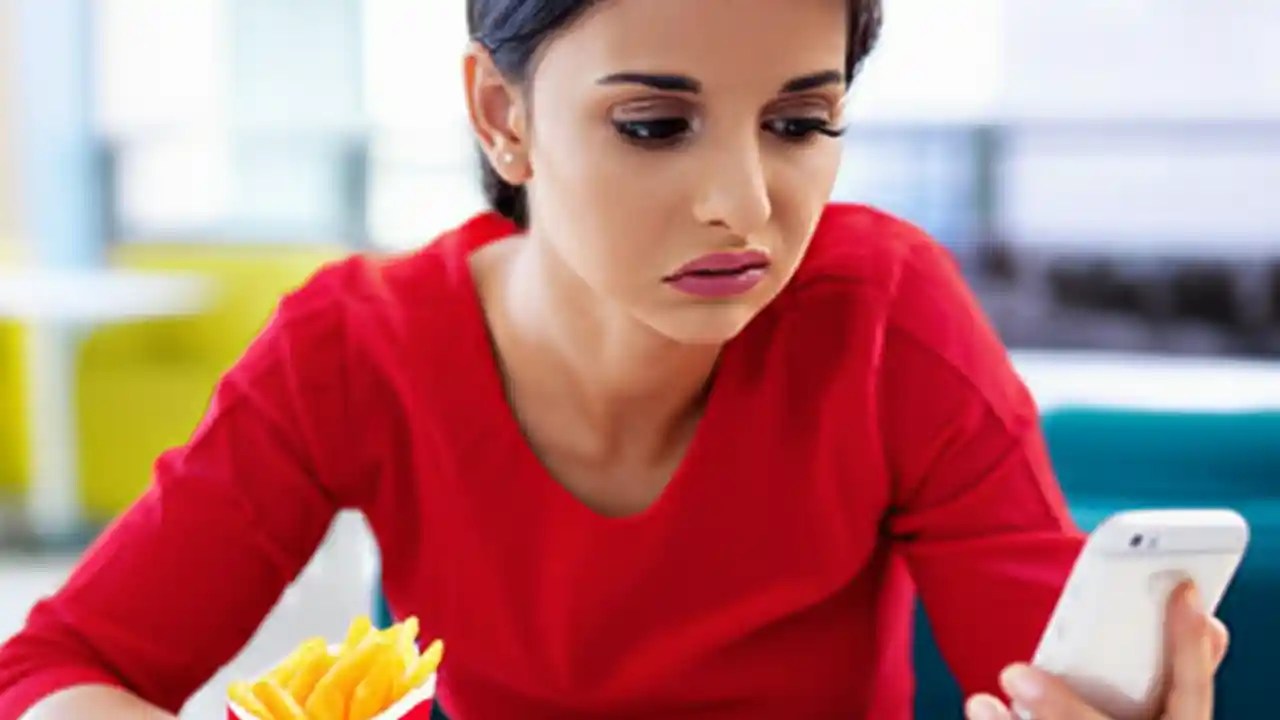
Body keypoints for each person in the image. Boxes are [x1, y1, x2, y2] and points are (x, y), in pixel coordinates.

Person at [0, 1, 1229, 718]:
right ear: (502, 117)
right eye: (653, 126)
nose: (744, 205)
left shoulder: (888, 322)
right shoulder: (352, 350)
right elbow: (63, 666)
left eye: (800, 123)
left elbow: (1048, 681)